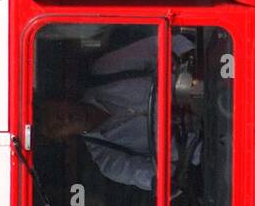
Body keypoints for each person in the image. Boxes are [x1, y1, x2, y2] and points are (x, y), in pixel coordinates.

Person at [34, 34, 195, 192]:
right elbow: (152, 177)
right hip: (199, 144)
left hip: (195, 84)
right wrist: (160, 181)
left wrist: (190, 58)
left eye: (54, 112)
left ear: (61, 100)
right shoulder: (108, 160)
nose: (63, 119)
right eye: (55, 127)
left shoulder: (105, 70)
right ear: (63, 139)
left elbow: (159, 47)